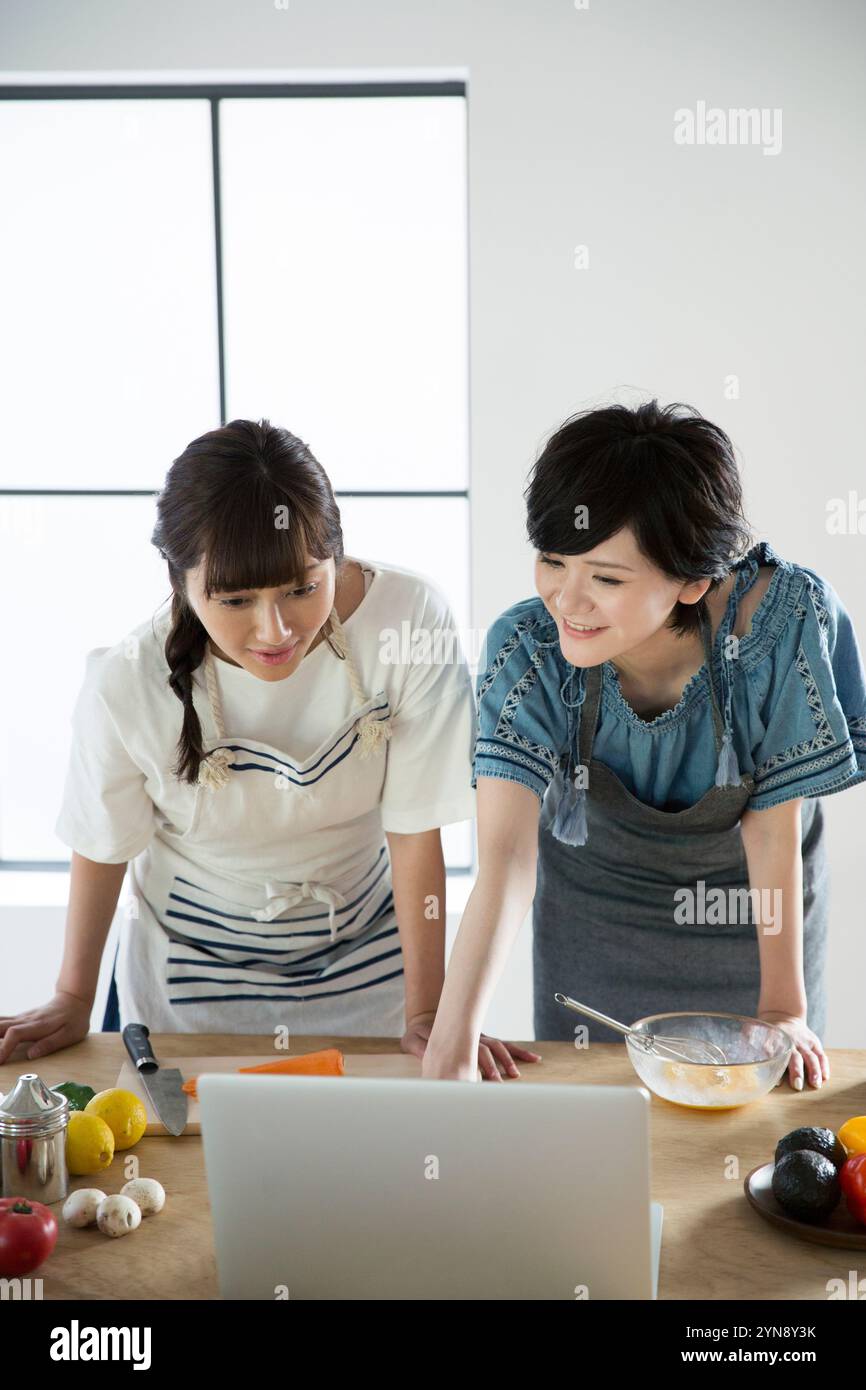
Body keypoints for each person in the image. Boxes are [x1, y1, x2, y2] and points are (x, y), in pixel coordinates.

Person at [0, 419, 533, 1077]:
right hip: (191, 993)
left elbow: (416, 831)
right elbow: (103, 844)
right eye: (235, 599)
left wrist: (431, 1013)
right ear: (181, 584)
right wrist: (75, 996)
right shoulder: (127, 682)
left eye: (303, 589)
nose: (275, 629)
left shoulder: (409, 619)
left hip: (365, 972)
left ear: (336, 556)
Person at [423, 400, 866, 1088]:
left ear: (693, 579)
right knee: (595, 1134)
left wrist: (783, 1008)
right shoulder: (526, 648)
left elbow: (772, 831)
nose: (567, 601)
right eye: (551, 561)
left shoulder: (778, 626)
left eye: (605, 578)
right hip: (593, 918)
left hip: (751, 918)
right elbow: (507, 860)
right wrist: (450, 1046)